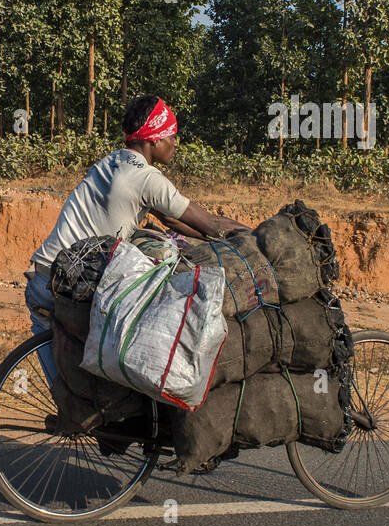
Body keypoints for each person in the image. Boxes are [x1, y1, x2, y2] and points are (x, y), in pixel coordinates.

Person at [23, 95, 251, 342]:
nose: (175, 144)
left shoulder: (113, 161)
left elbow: (173, 221)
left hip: (44, 277)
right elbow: (210, 223)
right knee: (126, 349)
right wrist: (253, 237)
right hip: (66, 286)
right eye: (171, 136)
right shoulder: (146, 179)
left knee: (71, 374)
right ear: (154, 139)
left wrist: (216, 236)